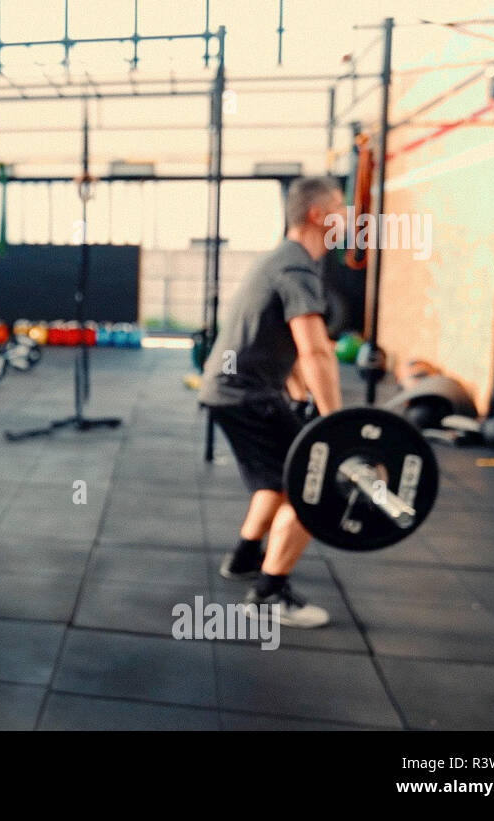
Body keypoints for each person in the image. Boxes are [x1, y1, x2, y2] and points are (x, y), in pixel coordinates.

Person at [197, 176, 346, 628]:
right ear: (319, 215)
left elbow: (283, 347)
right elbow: (316, 350)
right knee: (310, 487)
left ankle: (244, 557)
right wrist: (336, 426)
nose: (349, 218)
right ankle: (268, 594)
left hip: (233, 392)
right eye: (341, 208)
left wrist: (301, 396)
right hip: (245, 396)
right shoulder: (297, 268)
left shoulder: (282, 260)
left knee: (276, 482)